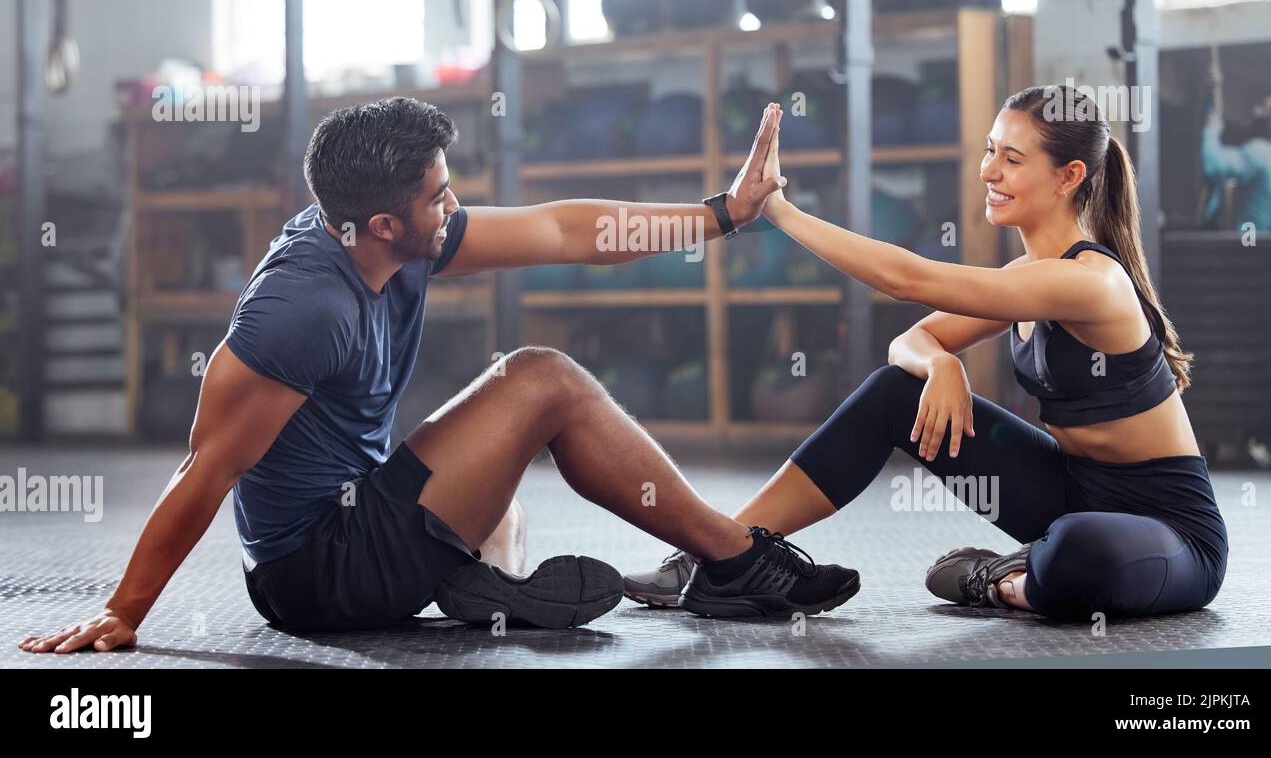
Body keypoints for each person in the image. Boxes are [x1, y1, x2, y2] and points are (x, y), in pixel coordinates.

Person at [19, 98, 857, 654]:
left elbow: (562, 232)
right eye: (440, 198)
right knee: (542, 379)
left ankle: (483, 582)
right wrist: (124, 611)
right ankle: (733, 559)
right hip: (317, 572)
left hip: (362, 515)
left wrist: (721, 215)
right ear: (383, 221)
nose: (455, 207)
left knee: (503, 487)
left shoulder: (393, 234)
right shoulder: (302, 306)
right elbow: (207, 467)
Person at [626, 85, 1229, 622]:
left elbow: (909, 280)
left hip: (1169, 532)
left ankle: (999, 581)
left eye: (1012, 160)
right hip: (1069, 490)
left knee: (1081, 549)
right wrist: (941, 362)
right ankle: (722, 551)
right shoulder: (1026, 274)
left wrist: (779, 212)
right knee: (896, 389)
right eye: (990, 149)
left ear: (1069, 176)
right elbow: (909, 339)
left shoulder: (1090, 282)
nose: (989, 170)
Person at [1201, 94, 1271, 232]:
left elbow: (1213, 165)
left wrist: (1211, 128)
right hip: (1264, 247)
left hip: (1244, 247)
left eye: (1263, 107)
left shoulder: (1260, 152)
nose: (1254, 110)